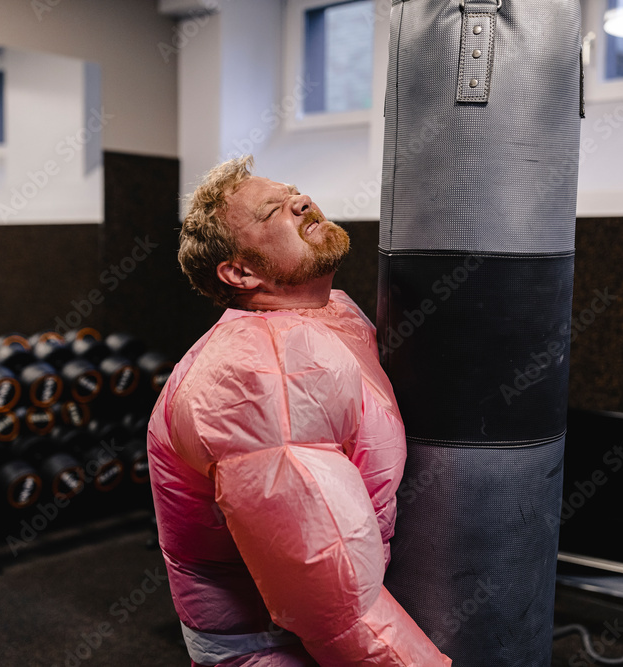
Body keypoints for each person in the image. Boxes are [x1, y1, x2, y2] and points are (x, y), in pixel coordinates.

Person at [147, 156, 451, 666]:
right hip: (277, 645)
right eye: (274, 211)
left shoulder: (329, 313)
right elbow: (334, 603)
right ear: (240, 272)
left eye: (295, 192)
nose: (302, 202)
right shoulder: (253, 379)